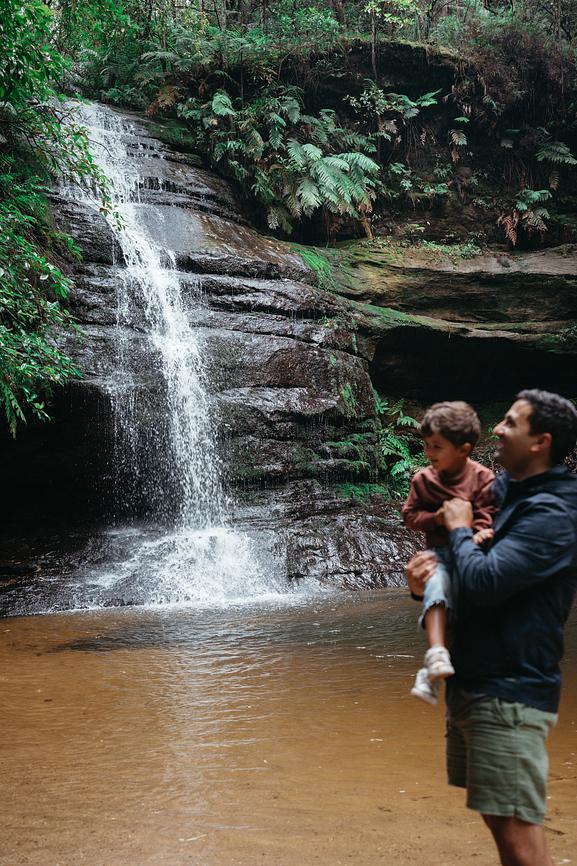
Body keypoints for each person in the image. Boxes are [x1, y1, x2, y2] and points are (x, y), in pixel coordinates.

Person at [406, 389, 577, 866]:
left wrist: (459, 529)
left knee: (519, 834)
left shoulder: (553, 513)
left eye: (509, 422)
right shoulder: (506, 495)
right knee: (502, 822)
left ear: (540, 441)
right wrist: (423, 588)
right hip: (477, 682)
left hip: (511, 690)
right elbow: (467, 579)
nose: (496, 430)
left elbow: (486, 581)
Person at [401, 401, 496, 704]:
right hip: (439, 556)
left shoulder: (483, 479)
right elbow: (410, 516)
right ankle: (436, 653)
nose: (429, 453)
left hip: (474, 553)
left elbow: (489, 514)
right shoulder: (423, 480)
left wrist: (477, 531)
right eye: (427, 445)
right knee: (437, 586)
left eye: (437, 446)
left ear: (464, 449)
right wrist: (436, 519)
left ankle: (431, 675)